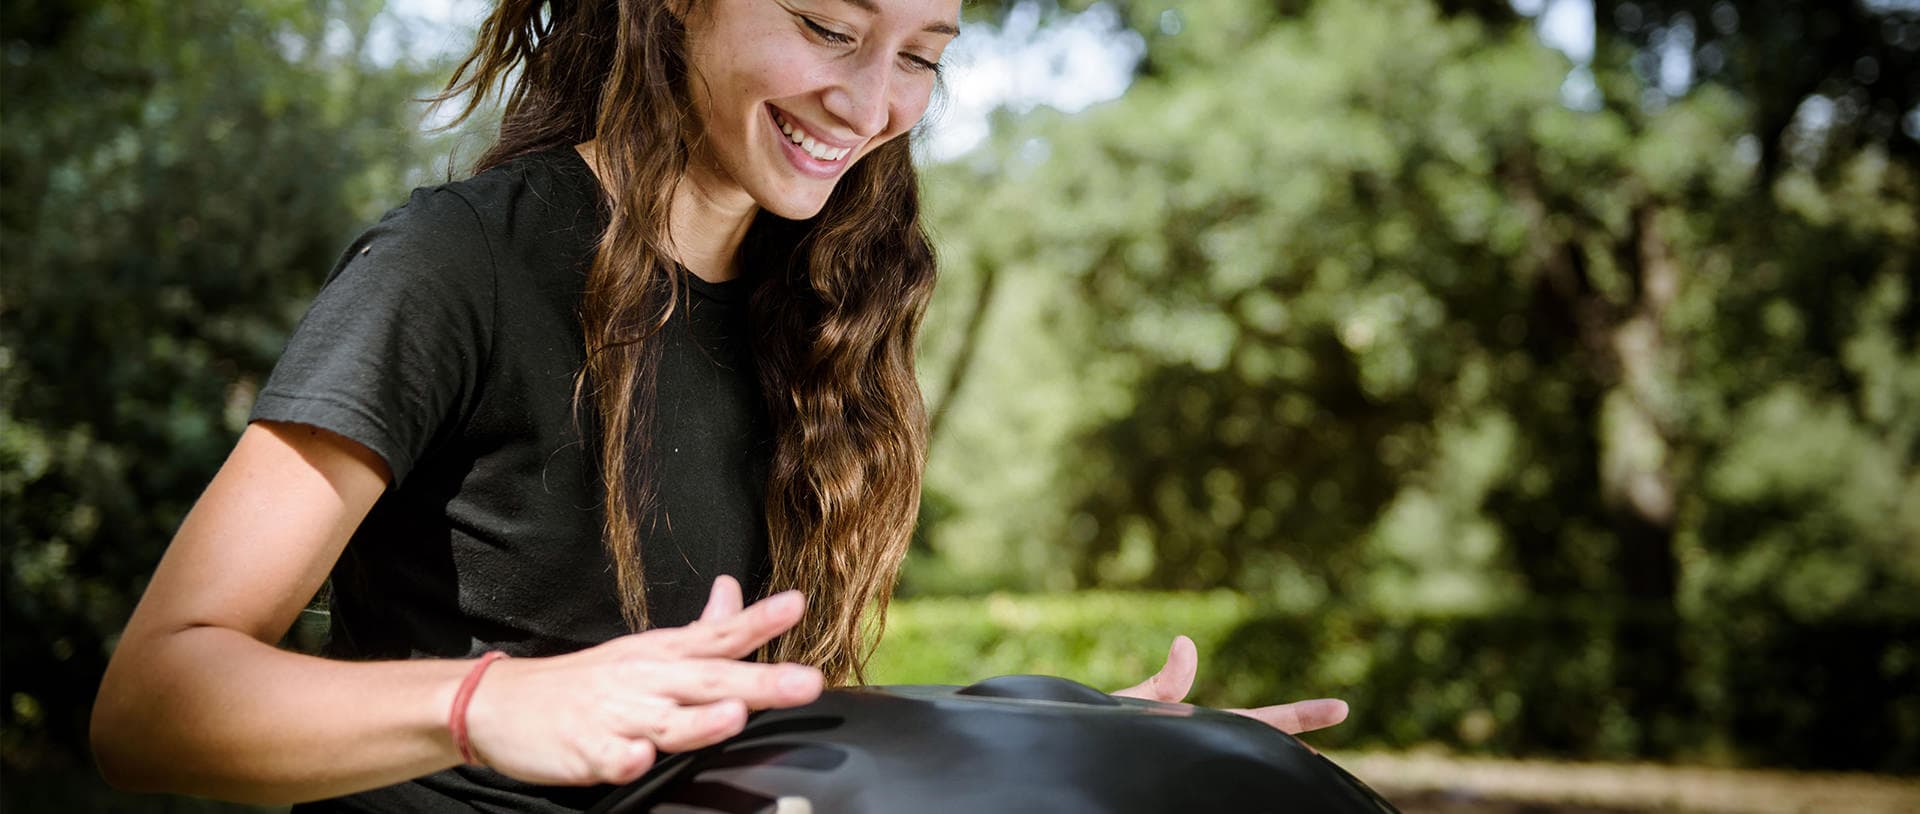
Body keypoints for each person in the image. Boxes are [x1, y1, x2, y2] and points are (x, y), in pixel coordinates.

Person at [89, 0, 1350, 810]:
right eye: (826, 27)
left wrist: (1052, 751)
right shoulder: (452, 267)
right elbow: (152, 707)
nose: (871, 107)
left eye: (919, 56)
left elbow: (743, 736)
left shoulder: (826, 309)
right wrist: (483, 706)